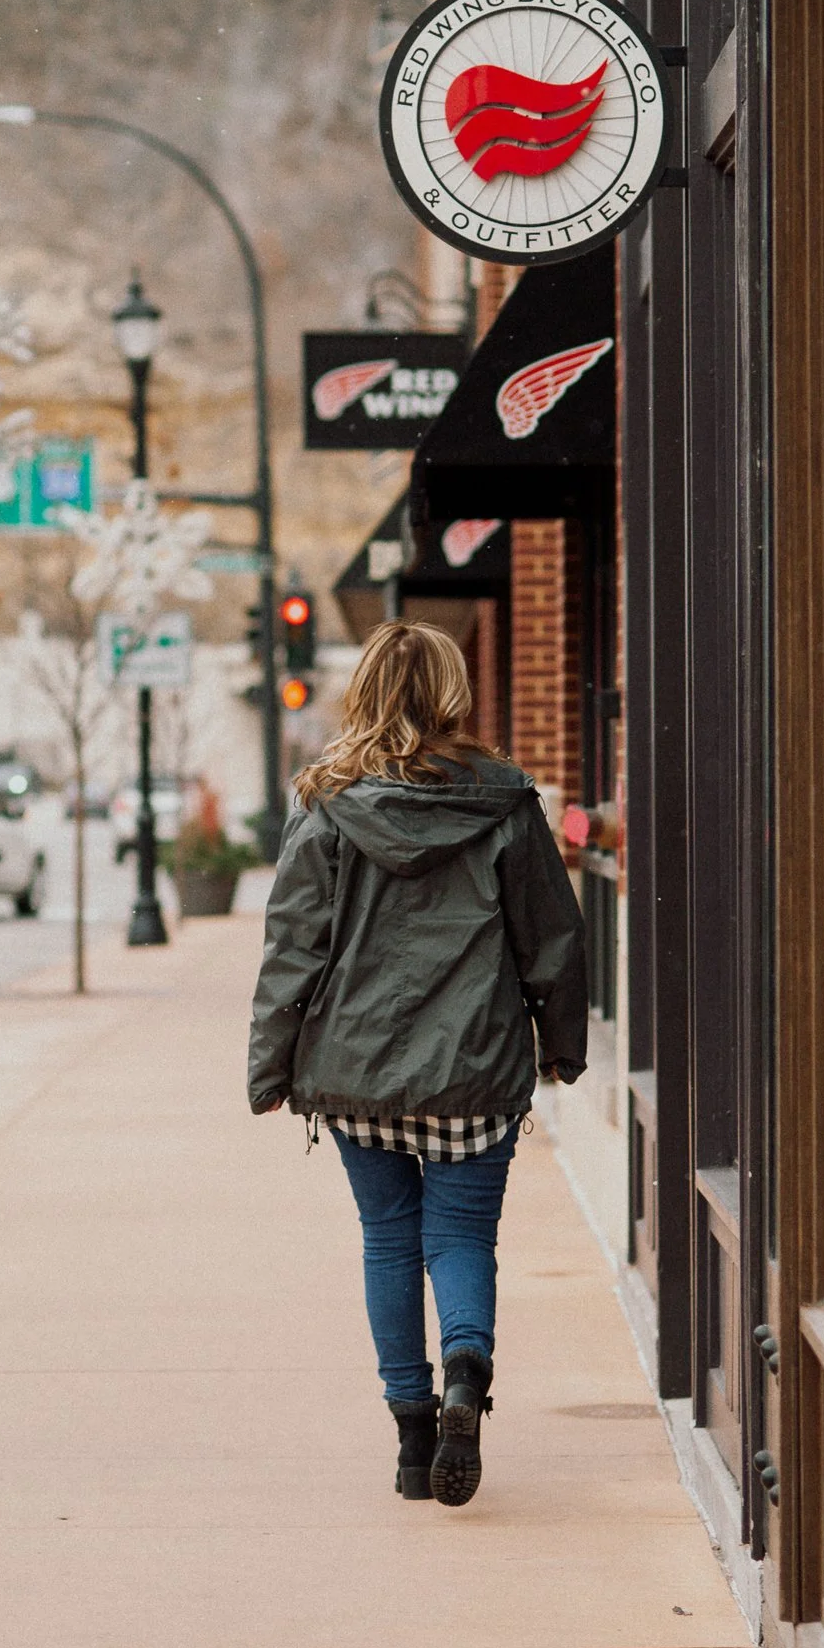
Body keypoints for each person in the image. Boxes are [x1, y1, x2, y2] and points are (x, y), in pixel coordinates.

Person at [247, 620, 587, 1507]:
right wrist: (564, 1043)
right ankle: (467, 1369)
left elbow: (294, 947)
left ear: (360, 690)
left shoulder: (325, 801)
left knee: (389, 1241)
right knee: (462, 1237)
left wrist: (270, 1066)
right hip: (475, 1066)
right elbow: (551, 934)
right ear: (452, 691)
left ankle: (411, 1437)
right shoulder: (504, 801)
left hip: (357, 1069)